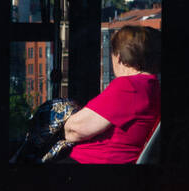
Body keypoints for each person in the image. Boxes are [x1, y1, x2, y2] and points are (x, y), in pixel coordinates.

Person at [64, 25, 160, 164]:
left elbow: (75, 130)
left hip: (93, 165)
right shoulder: (152, 87)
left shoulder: (128, 87)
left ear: (119, 58)